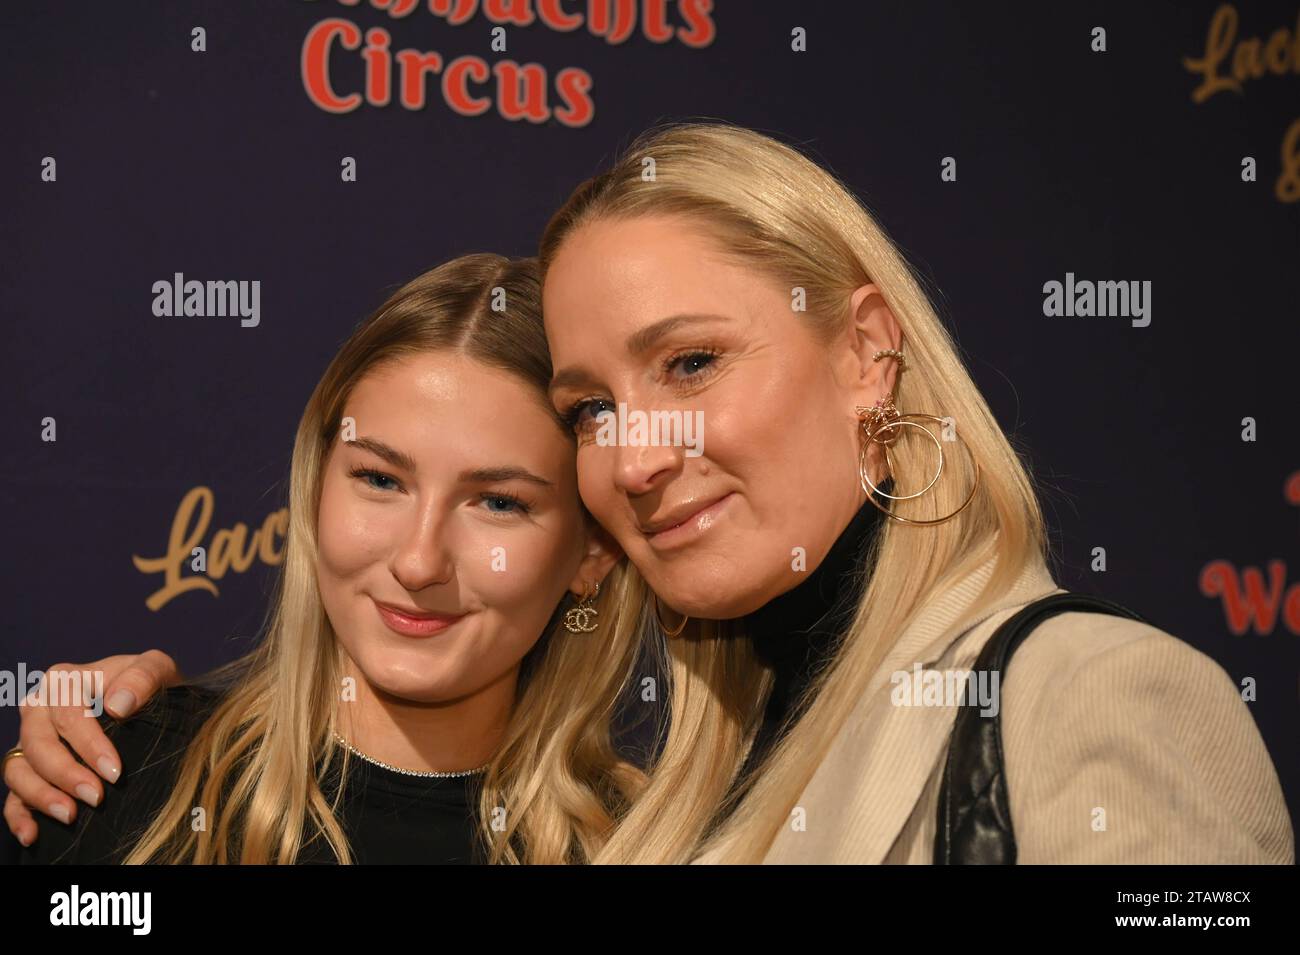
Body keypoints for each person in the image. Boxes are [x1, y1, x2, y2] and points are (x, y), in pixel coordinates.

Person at [8, 123, 1293, 864]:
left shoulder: (1097, 697)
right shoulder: (685, 807)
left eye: (692, 362)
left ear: (864, 352)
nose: (637, 452)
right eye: (594, 411)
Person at [7, 253, 646, 864]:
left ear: (592, 552)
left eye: (499, 503)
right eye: (381, 480)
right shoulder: (112, 777)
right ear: (315, 488)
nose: (419, 563)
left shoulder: (652, 847)